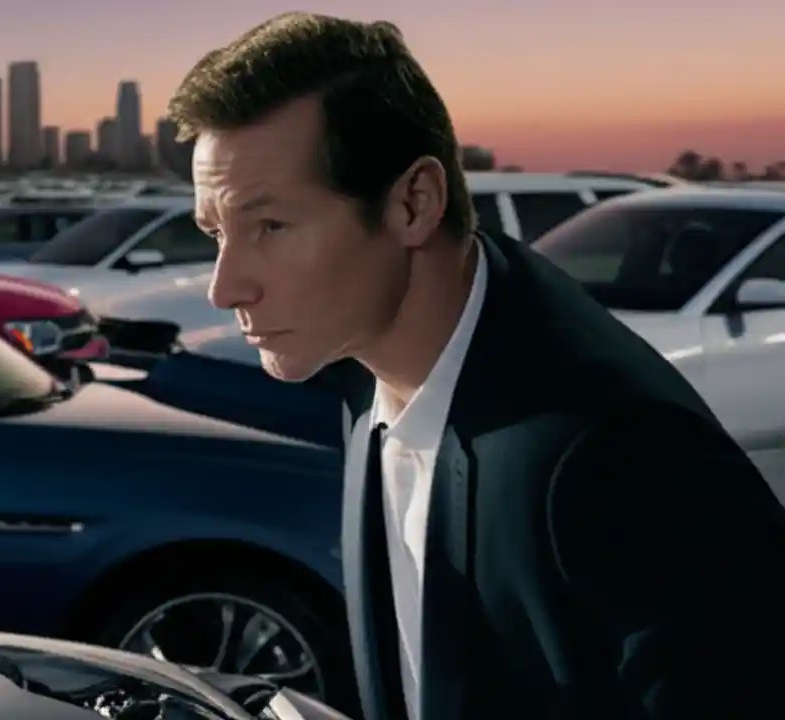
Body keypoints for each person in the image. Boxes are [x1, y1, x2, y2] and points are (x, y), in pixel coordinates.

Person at [167, 11, 785, 720]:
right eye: (216, 233)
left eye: (270, 227)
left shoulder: (613, 454)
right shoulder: (363, 366)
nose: (225, 288)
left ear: (414, 203)